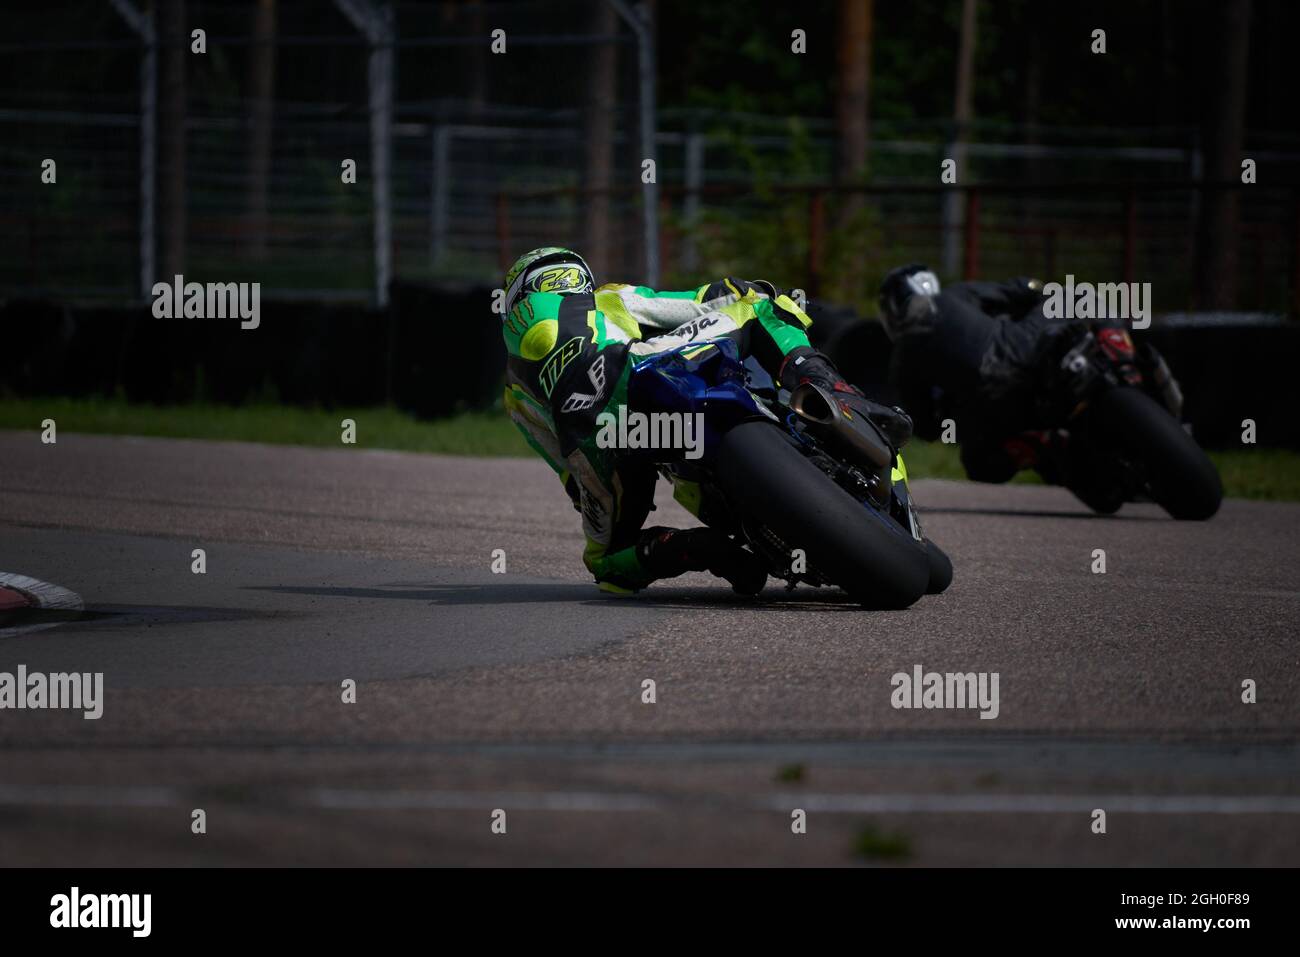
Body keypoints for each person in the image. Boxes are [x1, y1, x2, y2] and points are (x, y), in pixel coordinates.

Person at [501, 246, 912, 595]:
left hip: (602, 440)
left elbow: (563, 461)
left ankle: (687, 548)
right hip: (642, 366)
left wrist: (588, 494)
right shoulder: (607, 298)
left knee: (606, 565)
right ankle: (834, 391)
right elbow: (698, 301)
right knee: (758, 308)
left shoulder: (513, 395)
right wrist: (751, 291)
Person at [877, 263, 1182, 488]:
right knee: (1076, 295)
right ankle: (1120, 353)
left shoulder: (902, 356)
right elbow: (1023, 288)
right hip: (1025, 353)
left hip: (996, 408)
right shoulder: (955, 295)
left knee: (977, 464)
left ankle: (1038, 444)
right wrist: (1034, 294)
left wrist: (951, 405)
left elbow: (927, 428)